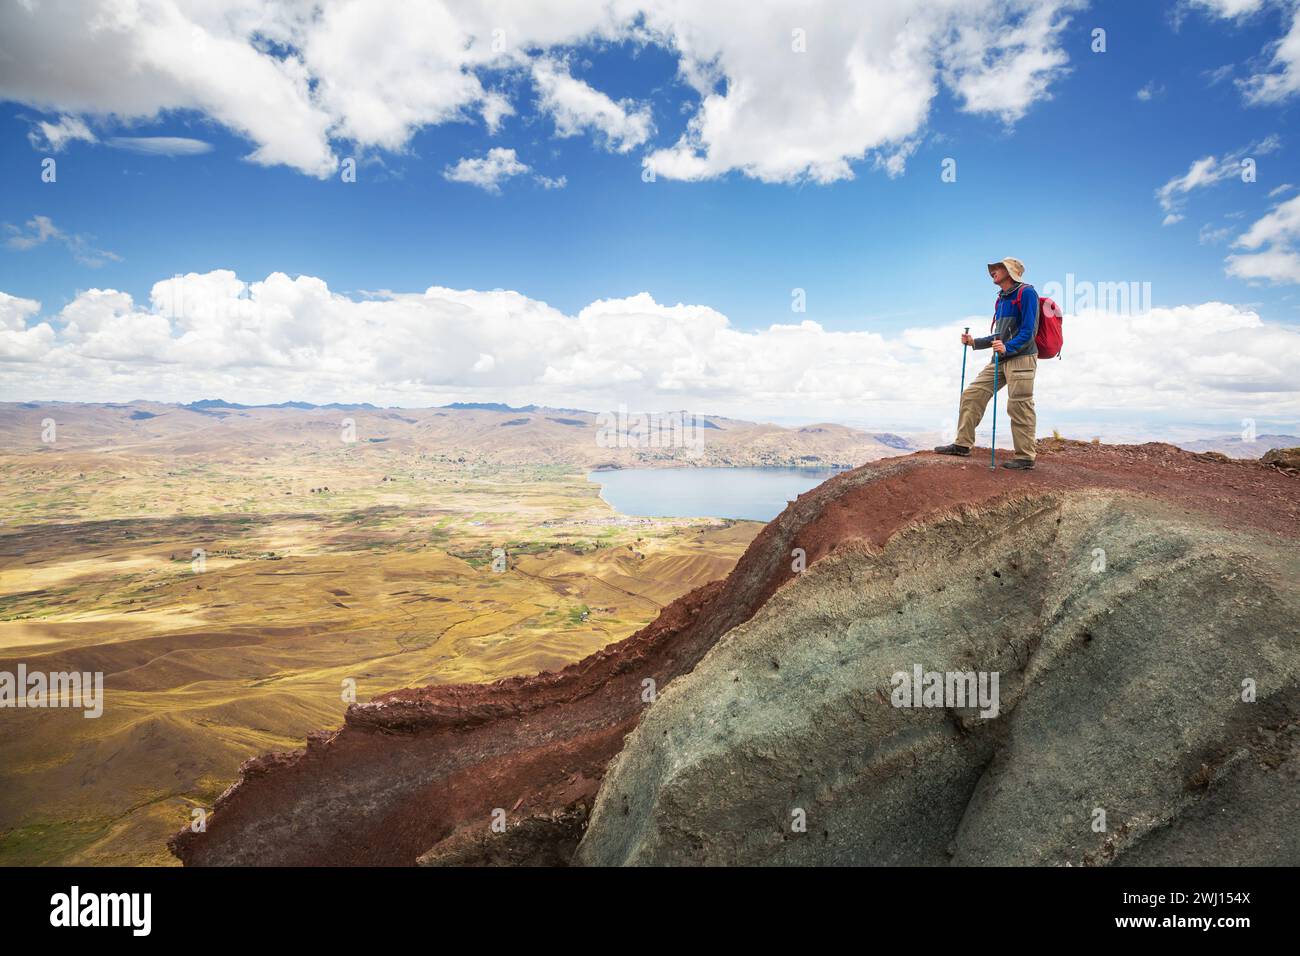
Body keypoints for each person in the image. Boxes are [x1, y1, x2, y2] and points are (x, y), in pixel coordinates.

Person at [934, 256, 1039, 469]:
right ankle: (962, 444)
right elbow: (999, 335)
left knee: (1019, 405)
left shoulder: (1027, 293)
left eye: (998, 268)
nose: (993, 271)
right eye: (993, 269)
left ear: (1010, 272)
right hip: (1000, 358)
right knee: (972, 394)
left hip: (1021, 358)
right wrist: (975, 343)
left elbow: (1029, 330)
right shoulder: (1001, 298)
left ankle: (1025, 457)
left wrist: (1008, 347)